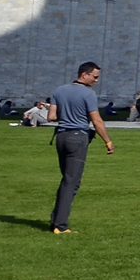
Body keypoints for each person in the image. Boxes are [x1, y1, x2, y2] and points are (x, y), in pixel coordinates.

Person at [47, 61, 114, 233]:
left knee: (67, 180)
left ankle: (55, 220)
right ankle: (61, 226)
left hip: (61, 137)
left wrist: (67, 113)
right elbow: (96, 120)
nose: (97, 80)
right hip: (77, 138)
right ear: (85, 75)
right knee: (72, 183)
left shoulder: (59, 90)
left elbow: (51, 116)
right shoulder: (88, 94)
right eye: (95, 76)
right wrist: (107, 141)